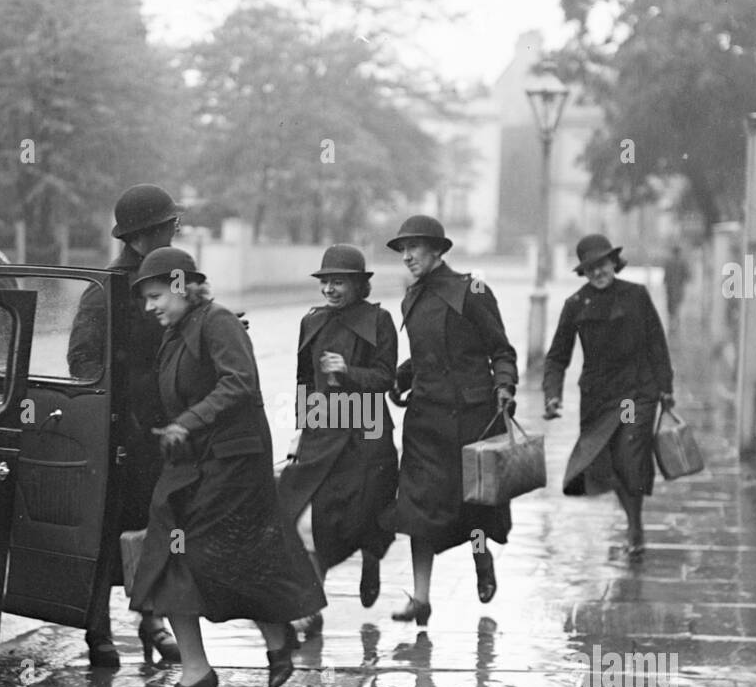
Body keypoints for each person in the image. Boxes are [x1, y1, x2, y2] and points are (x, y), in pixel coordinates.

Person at [128, 248, 325, 687]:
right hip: (194, 465)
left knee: (216, 555)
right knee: (166, 557)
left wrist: (187, 423)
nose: (149, 307)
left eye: (156, 296)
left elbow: (240, 382)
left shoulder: (216, 321)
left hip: (234, 467)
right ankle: (199, 670)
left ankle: (276, 636)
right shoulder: (178, 332)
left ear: (180, 286)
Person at [67, 184, 182, 670]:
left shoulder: (172, 279)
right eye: (168, 227)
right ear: (142, 236)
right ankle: (99, 629)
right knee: (108, 531)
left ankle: (151, 621)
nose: (176, 231)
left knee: (157, 529)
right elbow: (80, 361)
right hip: (115, 437)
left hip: (162, 434)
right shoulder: (107, 291)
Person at [387, 215, 518, 626]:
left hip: (472, 418)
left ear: (438, 250)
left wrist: (506, 387)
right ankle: (421, 598)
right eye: (403, 249)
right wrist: (401, 378)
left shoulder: (473, 290)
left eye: (415, 247)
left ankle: (482, 559)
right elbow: (427, 353)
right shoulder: (412, 297)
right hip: (425, 419)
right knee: (416, 507)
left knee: (474, 508)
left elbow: (501, 349)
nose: (407, 256)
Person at [278, 245, 399, 629]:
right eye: (325, 282)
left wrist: (349, 373)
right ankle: (310, 608)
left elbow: (386, 380)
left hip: (366, 434)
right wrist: (302, 432)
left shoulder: (379, 320)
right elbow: (303, 381)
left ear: (359, 285)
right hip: (321, 433)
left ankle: (371, 557)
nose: (330, 290)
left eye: (339, 282)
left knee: (365, 512)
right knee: (305, 520)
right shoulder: (310, 321)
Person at [543, 234, 674, 560]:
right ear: (584, 272)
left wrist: (666, 386)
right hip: (599, 397)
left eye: (602, 265)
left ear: (613, 263)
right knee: (610, 464)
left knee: (629, 456)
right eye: (590, 269)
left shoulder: (636, 296)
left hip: (635, 393)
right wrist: (552, 395)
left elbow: (656, 342)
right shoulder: (576, 305)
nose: (598, 273)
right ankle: (633, 521)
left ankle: (634, 527)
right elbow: (557, 356)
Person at [662, 244, 688, 330]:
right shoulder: (682, 262)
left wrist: (665, 282)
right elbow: (686, 275)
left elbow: (666, 275)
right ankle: (675, 319)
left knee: (671, 303)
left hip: (670, 286)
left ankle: (672, 319)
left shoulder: (668, 262)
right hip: (679, 287)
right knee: (677, 302)